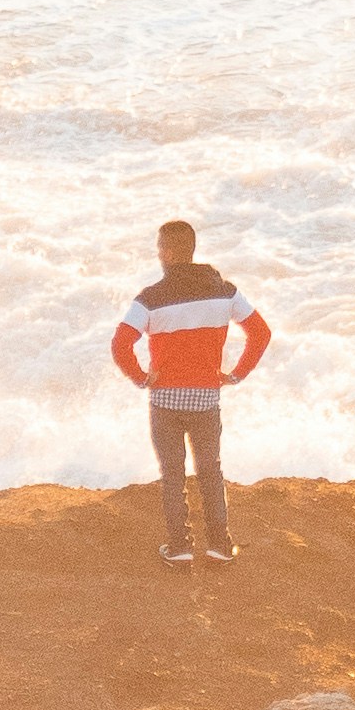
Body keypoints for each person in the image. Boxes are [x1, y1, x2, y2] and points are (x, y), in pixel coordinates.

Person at [112, 219, 269, 564]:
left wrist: (142, 378)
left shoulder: (150, 298)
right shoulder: (225, 292)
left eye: (159, 247)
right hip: (206, 398)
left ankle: (180, 547)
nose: (158, 253)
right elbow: (260, 333)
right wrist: (235, 375)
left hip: (165, 400)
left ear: (167, 252)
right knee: (210, 469)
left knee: (173, 474)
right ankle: (219, 545)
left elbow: (121, 344)